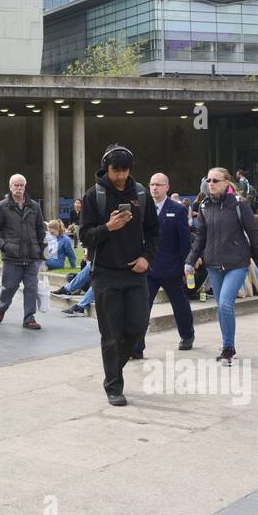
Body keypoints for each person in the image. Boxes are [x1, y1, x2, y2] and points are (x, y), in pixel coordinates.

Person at [79, 145, 159, 404]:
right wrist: (108, 227)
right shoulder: (94, 196)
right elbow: (85, 236)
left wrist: (147, 258)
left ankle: (114, 368)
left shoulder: (141, 195)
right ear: (106, 168)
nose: (121, 176)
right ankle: (114, 386)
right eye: (116, 171)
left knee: (138, 326)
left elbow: (154, 233)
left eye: (125, 171)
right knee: (111, 333)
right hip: (105, 273)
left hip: (136, 273)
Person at [184, 166, 258, 366]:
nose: (211, 184)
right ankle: (226, 346)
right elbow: (200, 238)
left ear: (226, 182)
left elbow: (254, 233)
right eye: (209, 180)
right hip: (213, 263)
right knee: (221, 307)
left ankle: (229, 348)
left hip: (237, 263)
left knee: (225, 303)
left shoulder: (240, 204)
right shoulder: (205, 206)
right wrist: (190, 260)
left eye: (215, 180)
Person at [135, 173, 193, 356]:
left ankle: (187, 335)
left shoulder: (177, 209)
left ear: (167, 187)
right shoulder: (142, 207)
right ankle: (137, 347)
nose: (154, 188)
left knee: (180, 305)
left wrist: (185, 264)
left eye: (158, 185)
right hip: (148, 268)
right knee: (142, 308)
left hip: (171, 268)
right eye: (151, 184)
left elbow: (184, 241)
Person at [0, 173, 47, 330]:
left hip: (32, 256)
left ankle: (29, 318)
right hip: (11, 256)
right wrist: (4, 245)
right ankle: (1, 308)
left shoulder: (34, 206)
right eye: (16, 185)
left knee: (31, 288)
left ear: (25, 187)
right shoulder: (2, 206)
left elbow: (41, 229)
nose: (19, 188)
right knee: (9, 287)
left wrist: (42, 251)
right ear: (10, 187)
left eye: (21, 185)